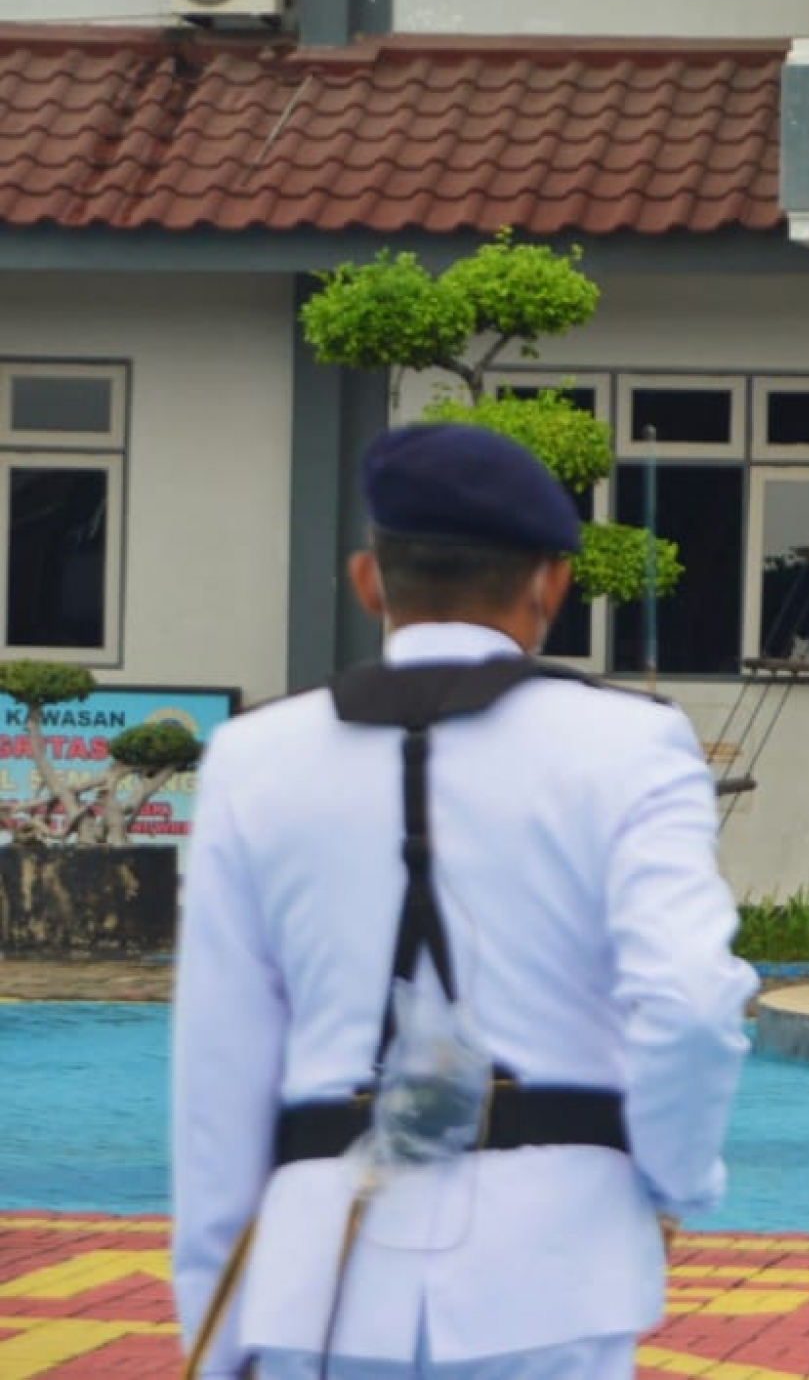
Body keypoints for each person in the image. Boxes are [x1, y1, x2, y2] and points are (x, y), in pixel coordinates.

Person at [172, 423, 757, 1379]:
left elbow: (218, 1078)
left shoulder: (252, 757)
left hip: (319, 1284)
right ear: (552, 584)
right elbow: (690, 1001)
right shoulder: (632, 745)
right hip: (554, 1268)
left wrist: (216, 1324)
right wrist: (669, 1183)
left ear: (370, 582)